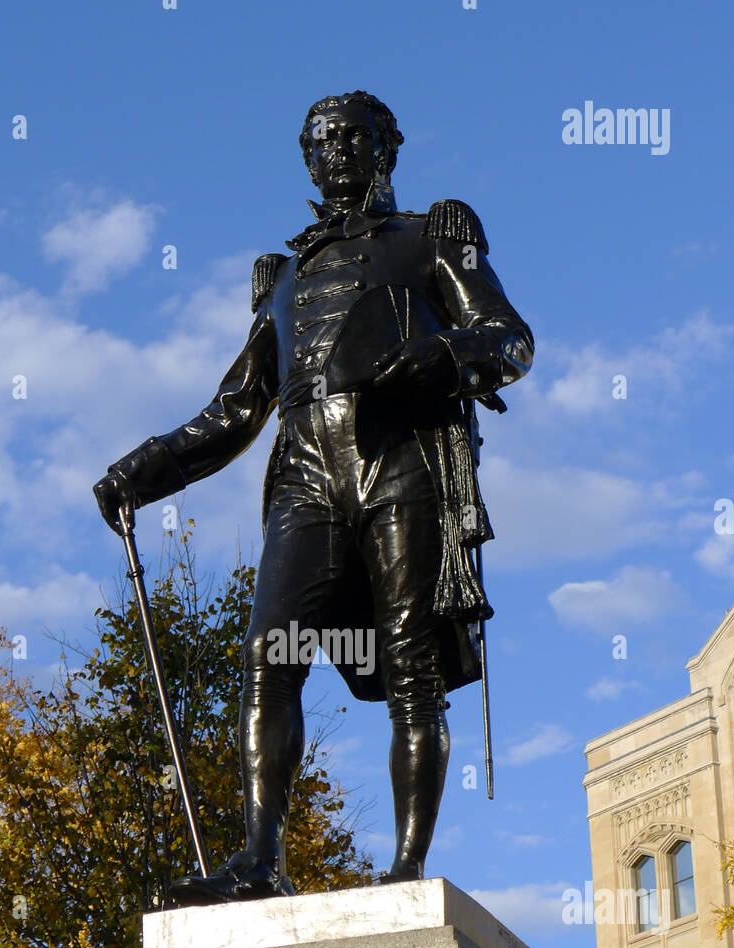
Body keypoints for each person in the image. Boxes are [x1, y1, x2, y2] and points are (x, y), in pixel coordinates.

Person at [94, 91, 533, 905]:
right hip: (305, 469)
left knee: (411, 664)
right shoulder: (285, 277)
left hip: (399, 458)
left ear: (386, 148)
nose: (335, 152)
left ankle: (405, 871)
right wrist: (143, 469)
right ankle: (260, 864)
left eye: (352, 138)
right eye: (320, 142)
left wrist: (443, 354)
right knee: (269, 654)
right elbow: (235, 410)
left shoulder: (431, 238)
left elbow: (510, 339)